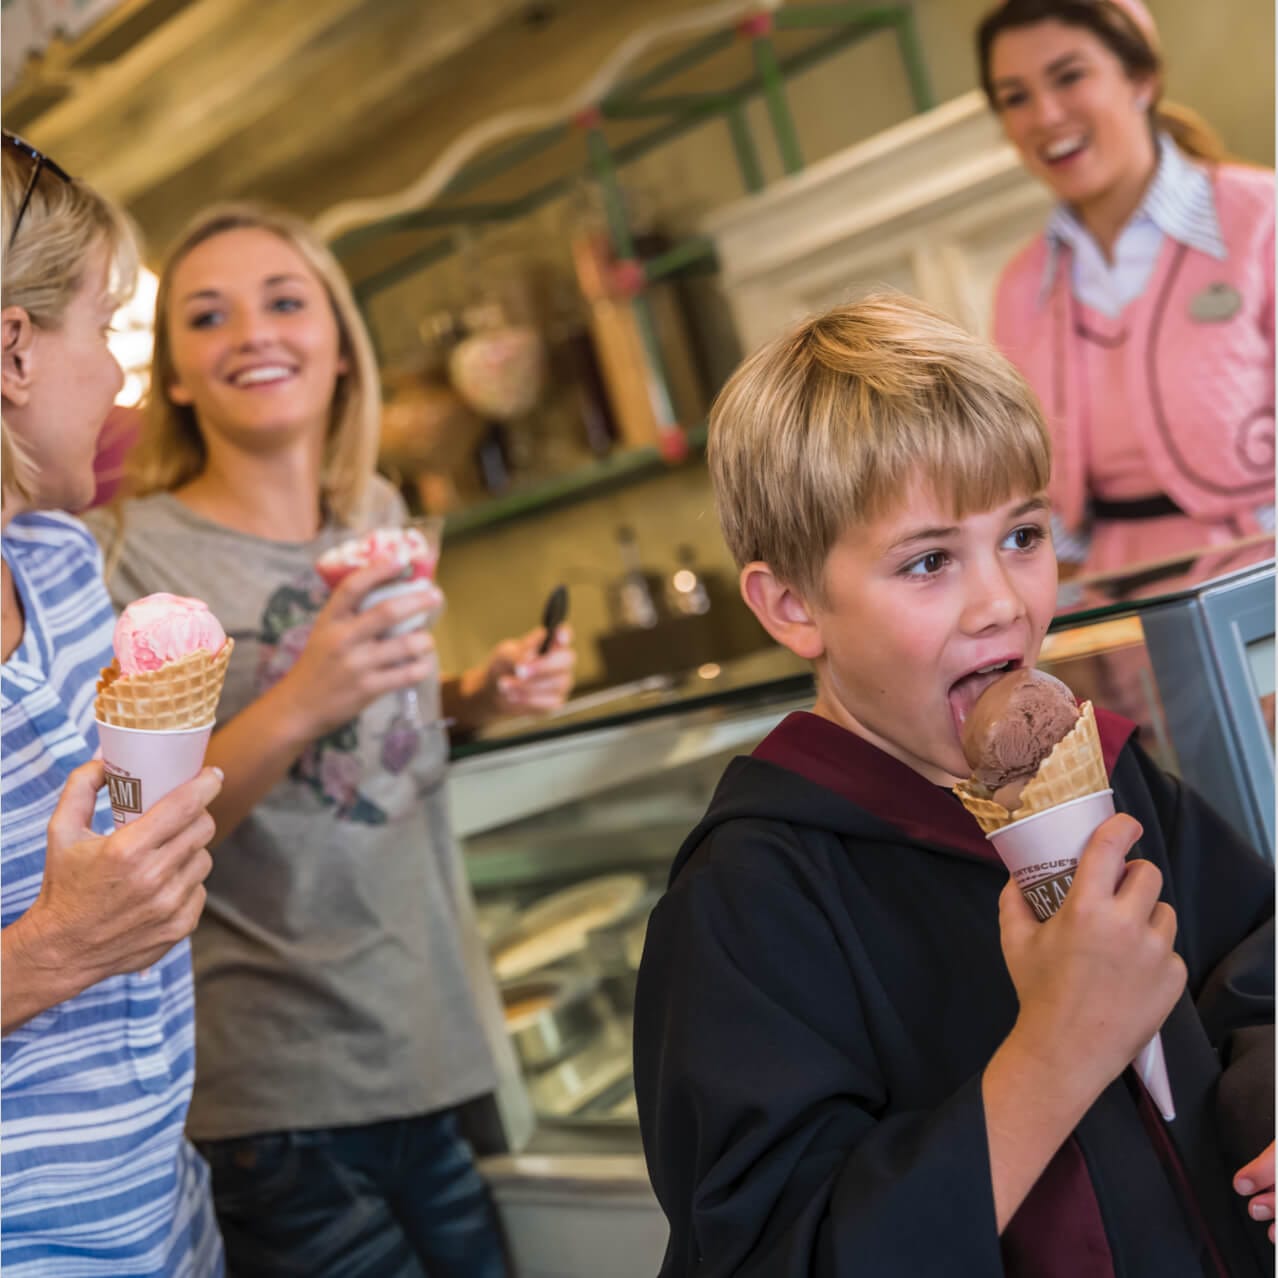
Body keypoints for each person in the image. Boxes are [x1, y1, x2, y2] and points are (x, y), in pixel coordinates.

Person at [631, 294, 1274, 1276]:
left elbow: (1252, 980)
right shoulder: (752, 901)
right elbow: (775, 1252)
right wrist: (1056, 1052)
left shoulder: (1109, 772)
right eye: (929, 561)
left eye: (1022, 536)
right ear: (793, 605)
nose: (1001, 601)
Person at [85, 202, 576, 1278]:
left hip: (427, 1049)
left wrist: (470, 698)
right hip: (274, 1098)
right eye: (209, 316)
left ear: (342, 348)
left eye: (287, 301)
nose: (255, 332)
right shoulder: (121, 554)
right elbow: (129, 830)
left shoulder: (379, 512)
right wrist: (306, 693)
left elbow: (367, 742)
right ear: (172, 373)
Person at [0, 134, 225, 1275]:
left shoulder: (59, 563)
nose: (122, 378)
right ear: (14, 349)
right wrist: (47, 951)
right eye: (107, 325)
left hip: (168, 1218)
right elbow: (71, 938)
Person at [979, 0, 1274, 597]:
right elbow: (1025, 495)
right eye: (1016, 97)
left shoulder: (1261, 219)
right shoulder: (1019, 287)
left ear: (1142, 79)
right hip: (1110, 614)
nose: (1046, 115)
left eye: (1069, 76)